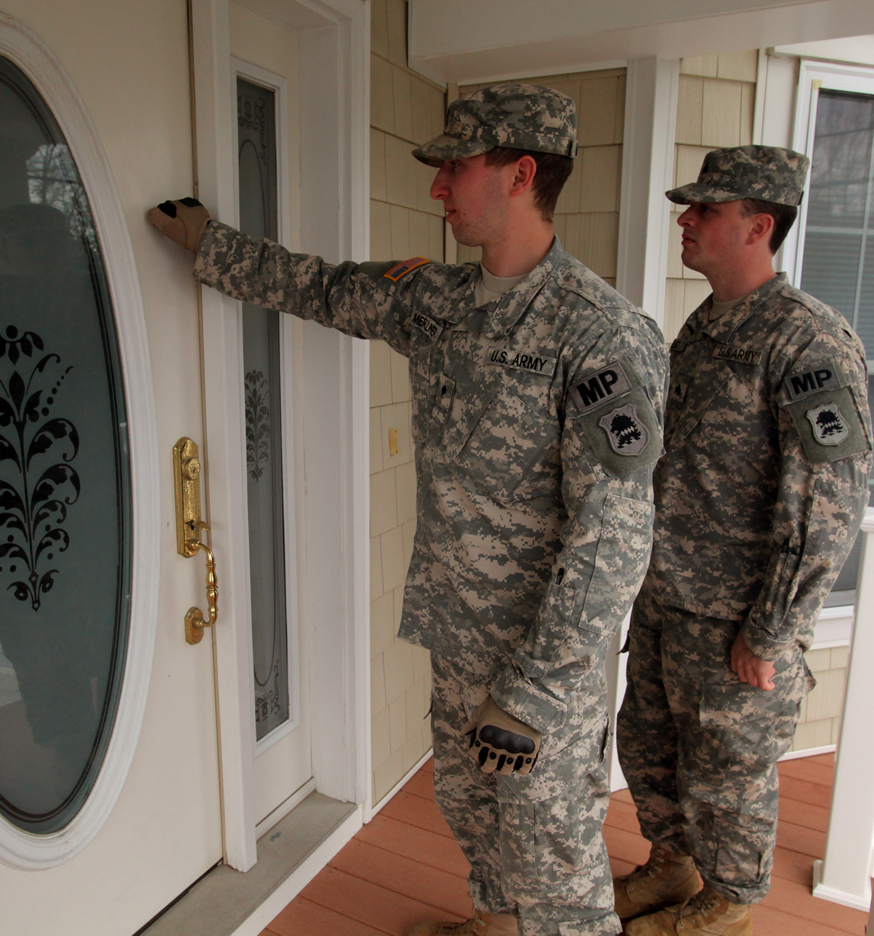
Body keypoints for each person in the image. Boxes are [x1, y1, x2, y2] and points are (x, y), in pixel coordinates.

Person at [148, 84, 667, 936]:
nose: (437, 186)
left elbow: (613, 538)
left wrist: (533, 691)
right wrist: (211, 245)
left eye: (456, 167)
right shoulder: (437, 299)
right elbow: (322, 288)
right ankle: (495, 928)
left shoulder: (601, 334)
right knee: (470, 810)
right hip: (458, 632)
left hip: (541, 664)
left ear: (520, 175)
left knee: (558, 867)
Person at [612, 145, 872, 936]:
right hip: (667, 599)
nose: (685, 221)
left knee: (729, 776)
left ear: (759, 226)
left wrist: (771, 630)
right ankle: (673, 866)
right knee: (650, 746)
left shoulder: (807, 340)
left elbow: (828, 501)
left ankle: (727, 907)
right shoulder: (704, 328)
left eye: (706, 209)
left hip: (735, 619)